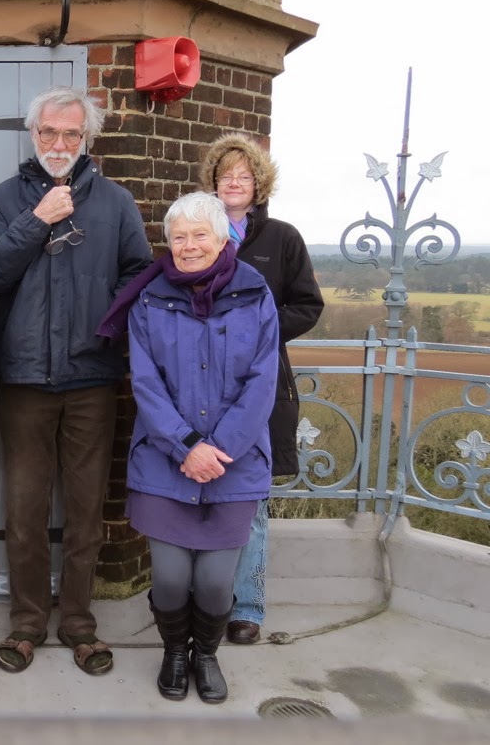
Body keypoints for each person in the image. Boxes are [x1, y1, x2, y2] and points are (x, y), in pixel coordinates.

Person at [0, 87, 151, 676]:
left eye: (70, 135)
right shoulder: (4, 202)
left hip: (91, 378)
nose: (58, 144)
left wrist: (106, 331)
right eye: (48, 132)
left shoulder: (117, 203)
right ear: (33, 135)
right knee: (24, 510)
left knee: (84, 510)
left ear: (86, 140)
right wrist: (37, 220)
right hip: (23, 377)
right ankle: (27, 623)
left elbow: (138, 281)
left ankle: (79, 624)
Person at [100, 191, 278, 704]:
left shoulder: (255, 293)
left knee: (218, 585)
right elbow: (147, 382)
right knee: (173, 580)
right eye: (179, 236)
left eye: (201, 234)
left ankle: (207, 654)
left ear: (224, 239)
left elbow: (262, 380)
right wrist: (186, 447)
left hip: (233, 465)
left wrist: (218, 448)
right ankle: (175, 651)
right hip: (165, 461)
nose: (189, 245)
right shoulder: (151, 297)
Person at [199, 133, 324, 645]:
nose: (234, 181)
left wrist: (256, 329)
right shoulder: (197, 229)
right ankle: (208, 600)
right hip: (203, 386)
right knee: (201, 495)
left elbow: (308, 305)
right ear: (213, 180)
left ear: (259, 183)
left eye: (244, 175)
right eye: (226, 173)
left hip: (263, 387)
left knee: (250, 504)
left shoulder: (282, 238)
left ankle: (247, 606)